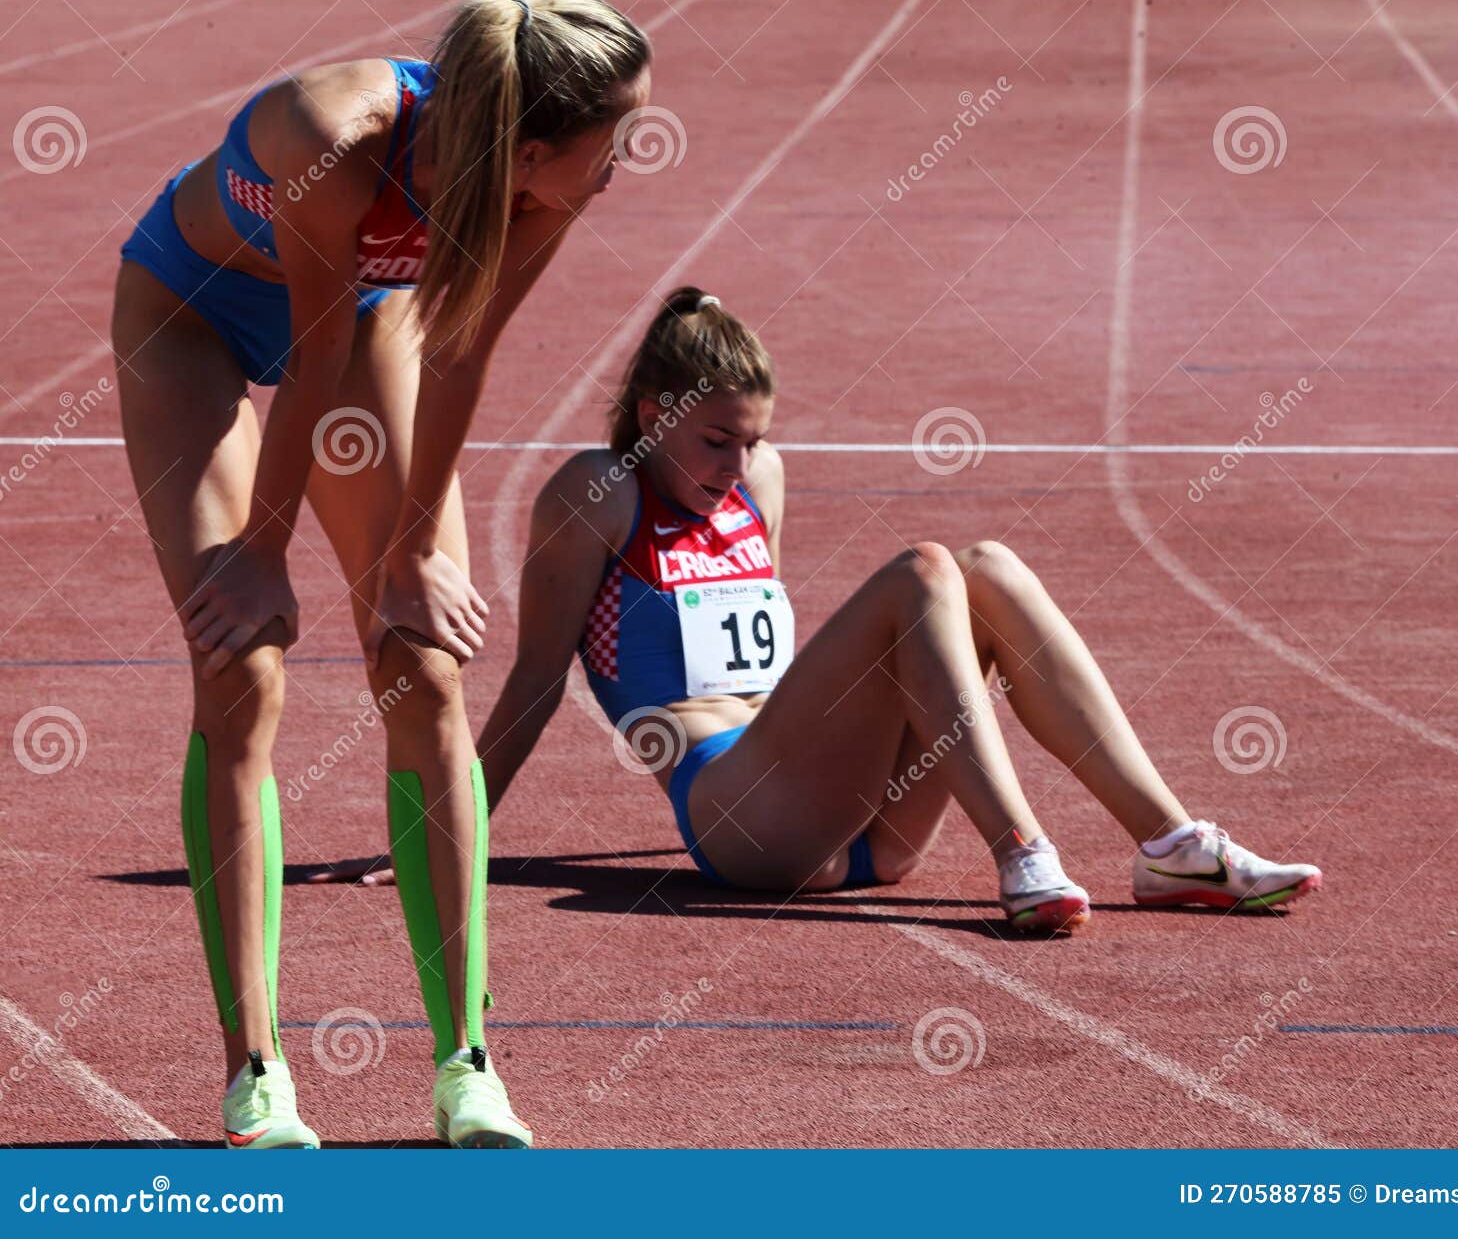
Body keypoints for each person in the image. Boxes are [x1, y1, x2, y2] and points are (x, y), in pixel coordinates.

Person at [322, 288, 1323, 933]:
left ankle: (1170, 845)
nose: (737, 466)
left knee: (987, 566)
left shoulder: (764, 483)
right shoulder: (596, 493)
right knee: (926, 568)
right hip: (741, 819)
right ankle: (1021, 850)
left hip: (870, 830)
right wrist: (442, 826)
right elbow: (538, 677)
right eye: (716, 440)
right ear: (651, 416)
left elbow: (798, 673)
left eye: (751, 442)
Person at [110, 0, 651, 1149]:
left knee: (422, 666)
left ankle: (467, 1064)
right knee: (241, 665)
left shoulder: (541, 184)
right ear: (538, 144)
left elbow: (455, 351)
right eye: (619, 138)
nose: (627, 162)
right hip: (194, 318)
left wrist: (408, 554)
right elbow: (306, 360)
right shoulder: (334, 138)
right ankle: (256, 1070)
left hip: (358, 326)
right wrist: (261, 555)